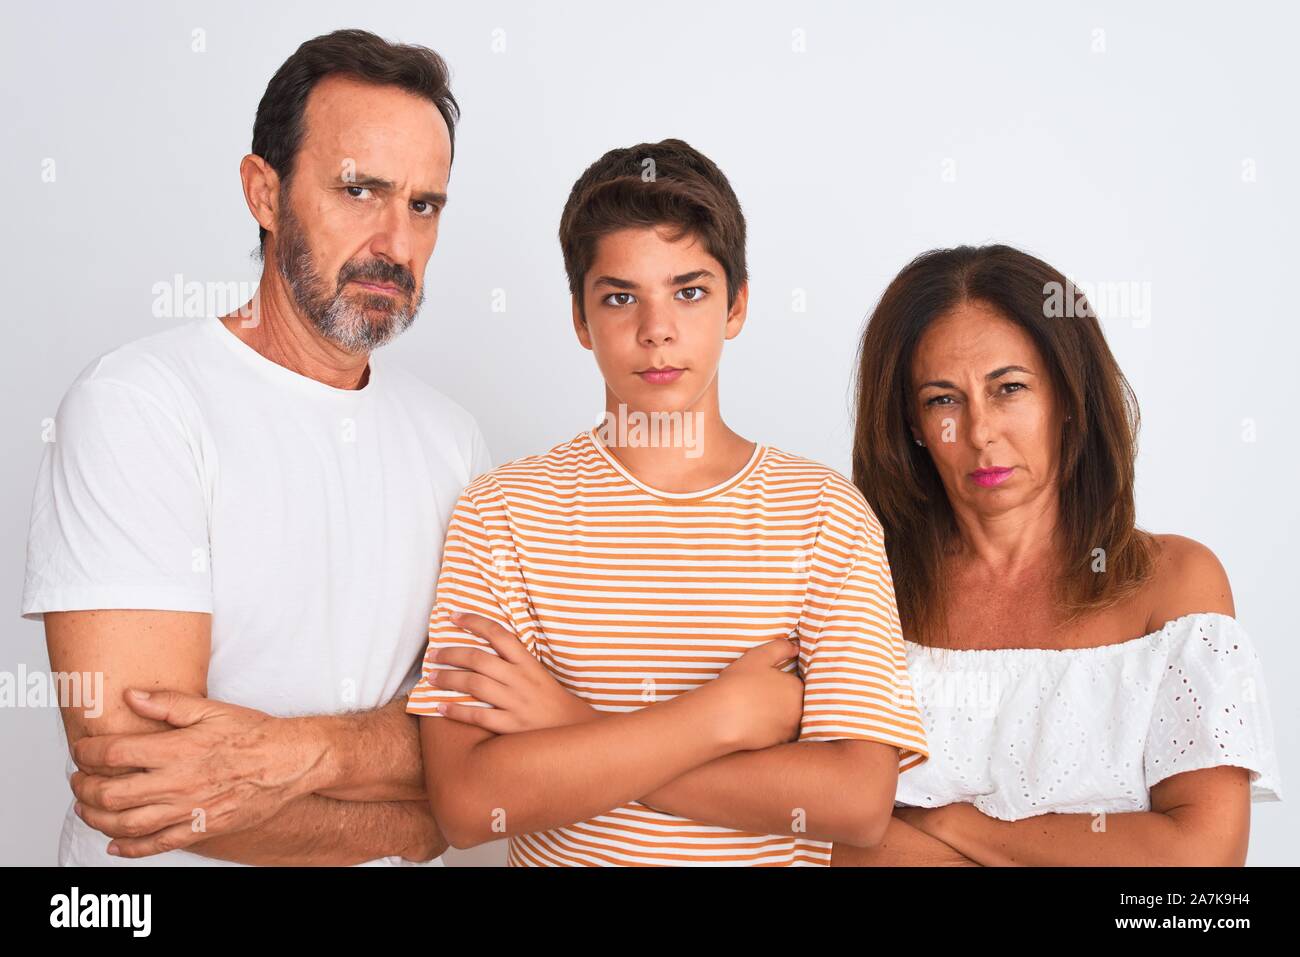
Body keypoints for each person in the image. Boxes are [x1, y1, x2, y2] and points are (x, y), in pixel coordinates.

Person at [21, 29, 489, 866]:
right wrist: (420, 822)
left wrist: (292, 753)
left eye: (424, 204)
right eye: (359, 190)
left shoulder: (452, 442)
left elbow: (482, 733)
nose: (396, 241)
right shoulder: (139, 406)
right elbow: (136, 781)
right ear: (263, 193)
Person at [406, 138, 929, 866]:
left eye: (689, 291)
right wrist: (721, 716)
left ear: (736, 303)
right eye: (621, 297)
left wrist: (568, 722)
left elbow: (855, 804)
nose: (656, 329)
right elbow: (467, 803)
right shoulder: (499, 512)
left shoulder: (825, 517)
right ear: (581, 320)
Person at [834, 244, 1282, 866]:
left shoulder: (1175, 586)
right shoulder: (856, 590)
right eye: (942, 399)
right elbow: (823, 845)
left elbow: (1200, 868)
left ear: (1068, 400)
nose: (980, 432)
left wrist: (947, 821)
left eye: (1009, 388)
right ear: (910, 423)